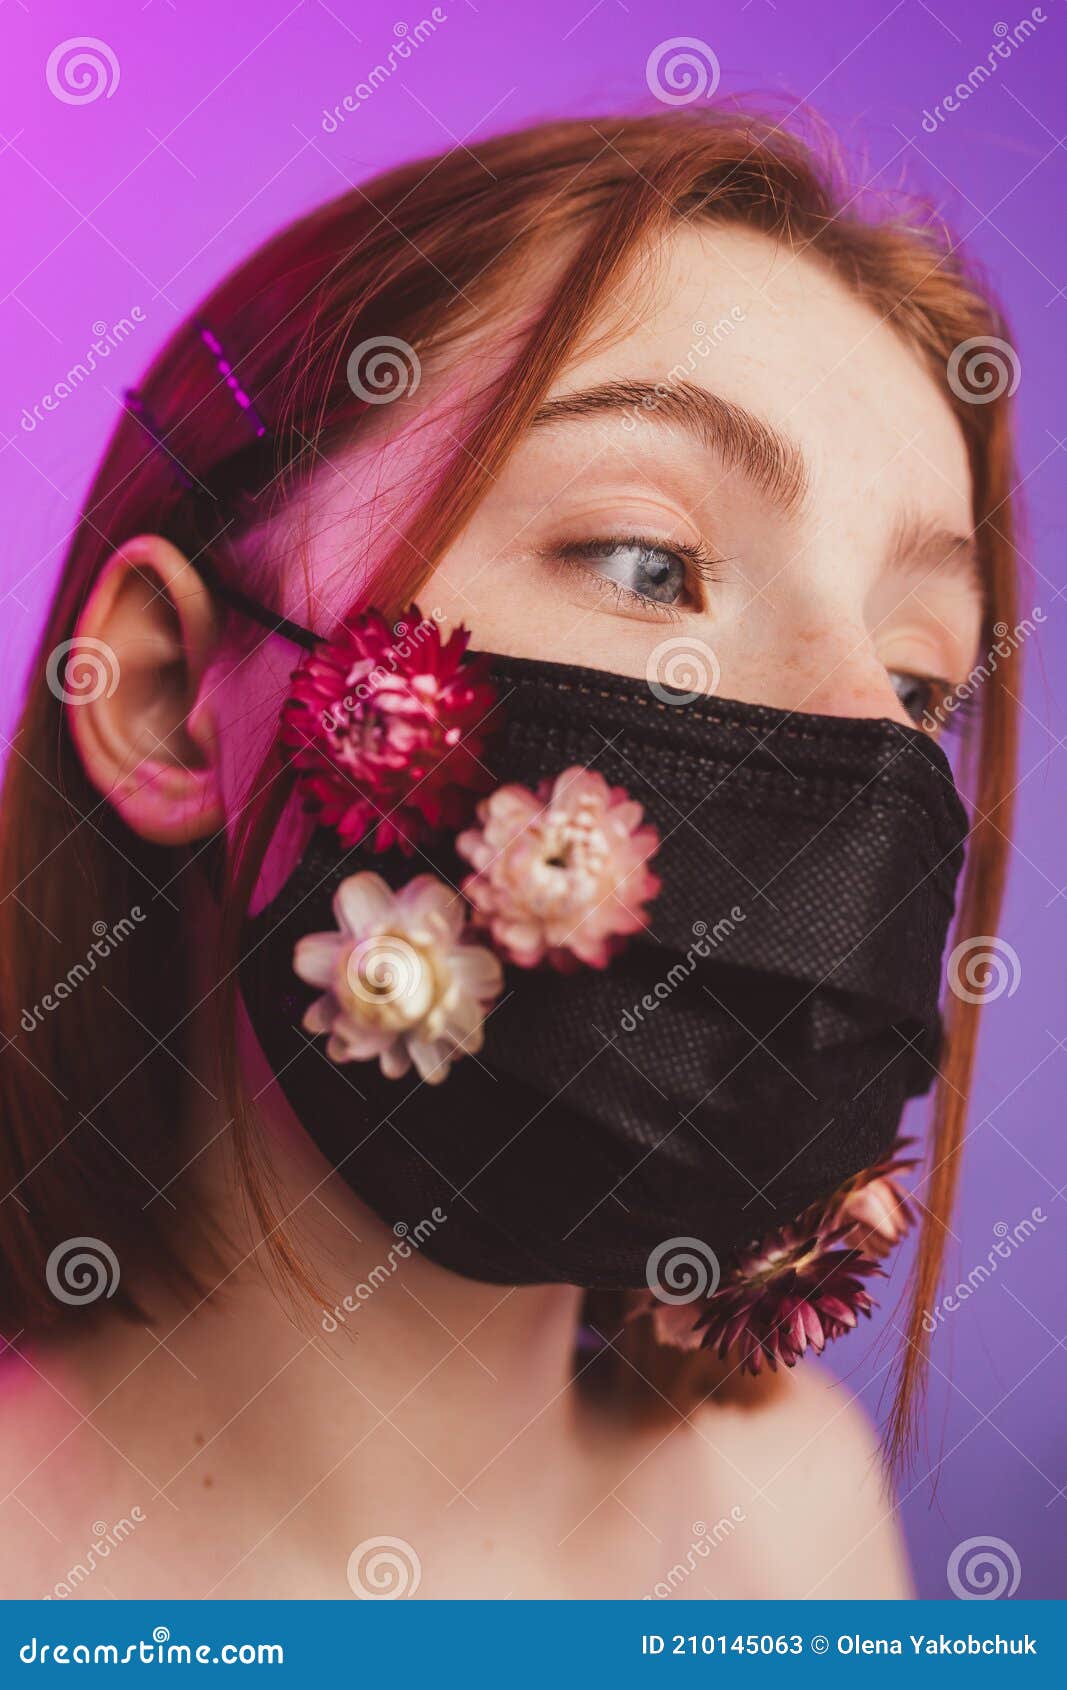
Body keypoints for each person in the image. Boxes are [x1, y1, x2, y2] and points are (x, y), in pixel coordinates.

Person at [0, 108, 1019, 1599]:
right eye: (645, 561)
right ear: (161, 697)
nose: (868, 732)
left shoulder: (791, 1524)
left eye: (922, 678)